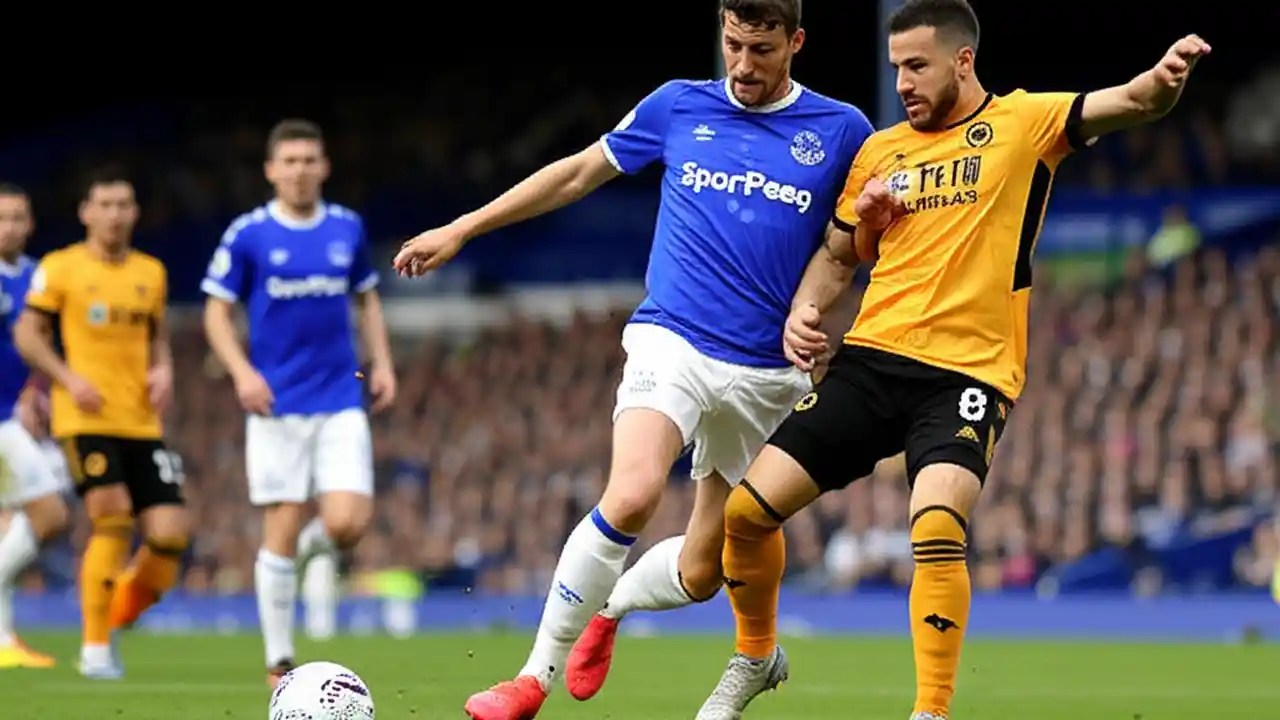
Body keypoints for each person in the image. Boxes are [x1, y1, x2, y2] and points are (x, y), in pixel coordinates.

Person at [718, 2, 1212, 719]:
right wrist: (805, 309)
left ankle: (931, 710)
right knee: (745, 513)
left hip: (967, 375)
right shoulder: (880, 153)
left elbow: (1134, 101)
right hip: (871, 361)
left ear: (962, 61)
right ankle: (757, 657)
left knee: (937, 524)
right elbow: (837, 252)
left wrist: (1163, 80)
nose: (904, 82)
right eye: (895, 68)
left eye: (916, 66)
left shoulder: (1023, 124)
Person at [394, 1, 873, 717]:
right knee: (635, 492)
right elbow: (578, 173)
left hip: (768, 371)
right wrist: (465, 227)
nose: (743, 65)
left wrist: (823, 318)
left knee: (706, 570)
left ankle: (609, 606)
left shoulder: (842, 131)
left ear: (796, 42)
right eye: (733, 45)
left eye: (762, 50)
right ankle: (532, 679)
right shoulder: (678, 105)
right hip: (672, 339)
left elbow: (853, 246)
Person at [202, 119, 396, 687]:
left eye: (310, 159)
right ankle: (278, 660)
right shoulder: (249, 234)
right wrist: (241, 373)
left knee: (348, 523)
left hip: (339, 397)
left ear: (324, 166)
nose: (300, 170)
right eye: (289, 161)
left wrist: (381, 362)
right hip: (276, 404)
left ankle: (317, 552)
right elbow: (215, 311)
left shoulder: (346, 228)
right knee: (280, 527)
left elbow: (367, 300)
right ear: (270, 170)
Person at [15, 169, 189, 679]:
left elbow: (156, 337)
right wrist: (66, 378)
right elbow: (28, 333)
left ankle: (115, 612)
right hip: (84, 416)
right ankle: (95, 649)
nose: (114, 214)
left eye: (123, 205)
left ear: (135, 213)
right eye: (104, 205)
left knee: (171, 533)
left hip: (140, 419)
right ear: (85, 212)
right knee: (111, 515)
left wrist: (165, 369)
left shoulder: (150, 272)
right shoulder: (60, 267)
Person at [0, 183, 70, 669]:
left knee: (16, 524)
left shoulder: (39, 278)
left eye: (17, 217)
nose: (9, 226)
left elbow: (41, 347)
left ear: (31, 223)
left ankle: (4, 643)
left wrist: (35, 391)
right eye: (1, 217)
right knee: (49, 514)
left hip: (13, 415)